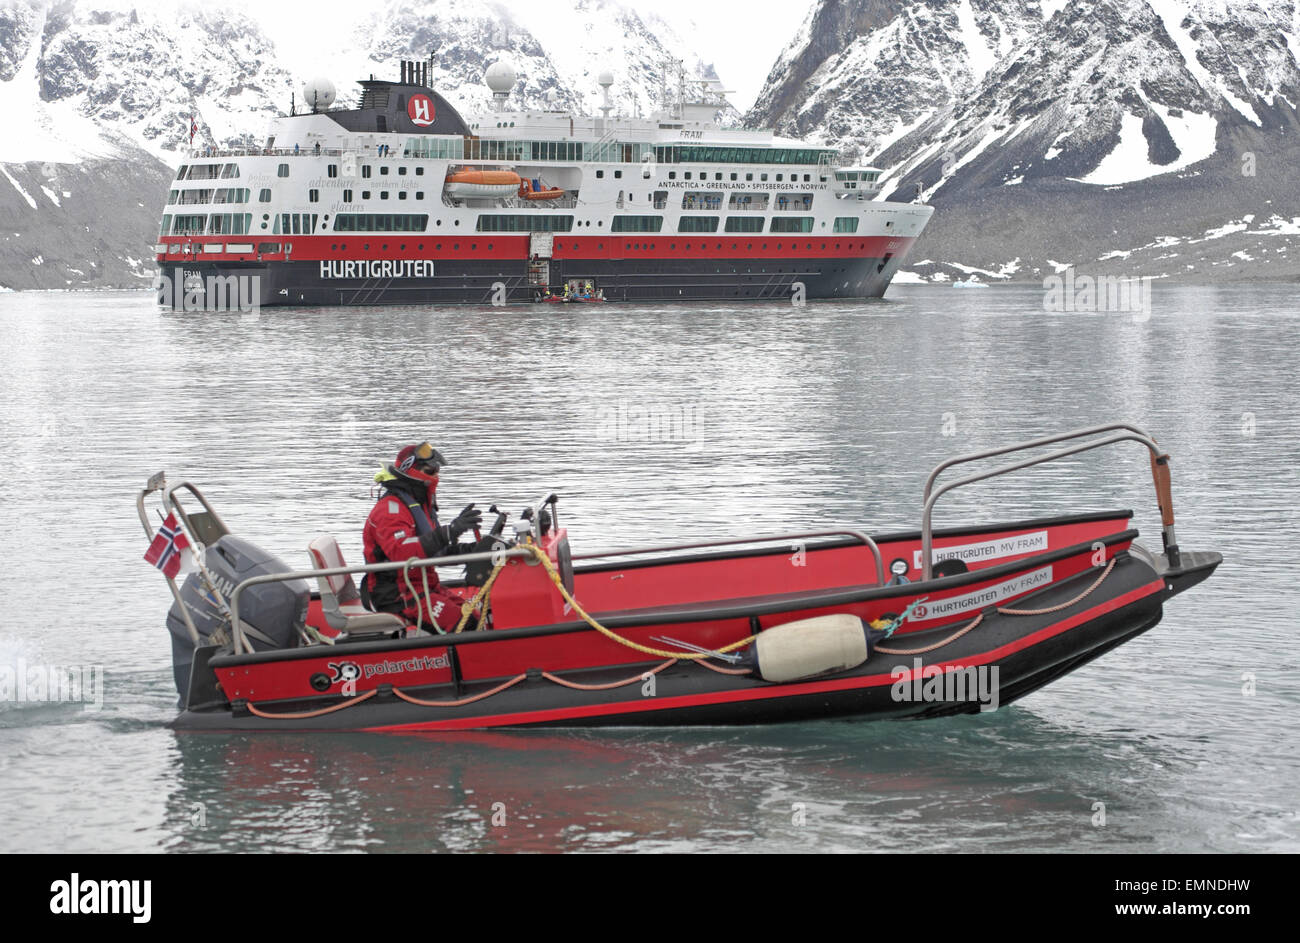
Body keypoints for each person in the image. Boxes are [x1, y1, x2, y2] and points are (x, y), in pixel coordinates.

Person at [362, 443, 483, 632]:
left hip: (425, 586)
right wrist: (449, 531)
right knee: (464, 624)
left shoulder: (419, 505)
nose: (436, 476)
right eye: (431, 471)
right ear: (412, 471)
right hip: (399, 595)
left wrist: (475, 550)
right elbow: (402, 552)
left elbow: (436, 552)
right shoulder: (389, 510)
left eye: (437, 471)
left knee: (474, 615)